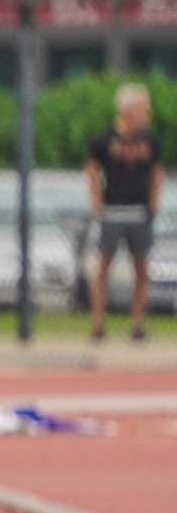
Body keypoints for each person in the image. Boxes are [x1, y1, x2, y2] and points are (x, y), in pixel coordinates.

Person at [87, 82, 163, 343]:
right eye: (143, 107)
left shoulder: (150, 141)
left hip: (139, 211)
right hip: (112, 210)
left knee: (141, 268)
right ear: (128, 109)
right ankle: (98, 325)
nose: (147, 113)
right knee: (103, 267)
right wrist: (97, 202)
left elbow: (156, 173)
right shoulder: (104, 139)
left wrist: (154, 202)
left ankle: (137, 325)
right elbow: (92, 170)